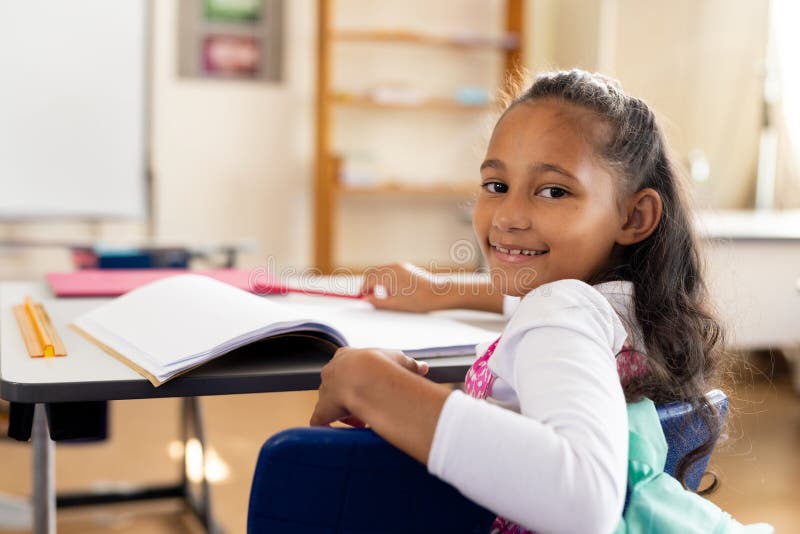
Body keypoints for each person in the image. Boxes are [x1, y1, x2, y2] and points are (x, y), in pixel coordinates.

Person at [309, 69, 772, 533]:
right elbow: (557, 308)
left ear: (634, 216)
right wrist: (441, 289)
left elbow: (584, 503)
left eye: (553, 191)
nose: (509, 216)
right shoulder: (631, 304)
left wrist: (369, 383)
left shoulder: (559, 316)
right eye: (496, 185)